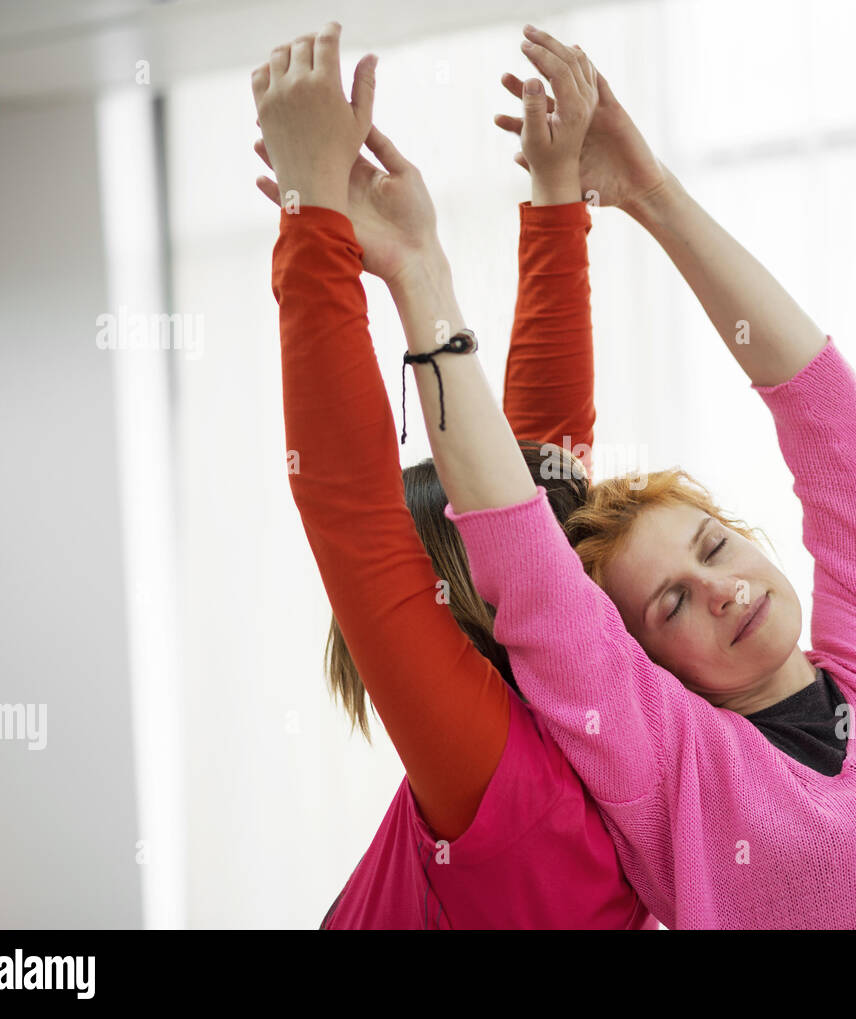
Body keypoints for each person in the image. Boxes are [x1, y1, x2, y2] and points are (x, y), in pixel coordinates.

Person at [260, 19, 856, 930]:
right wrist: (346, 236)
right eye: (668, 606)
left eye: (713, 544)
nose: (720, 589)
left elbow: (820, 432)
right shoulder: (624, 769)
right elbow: (476, 543)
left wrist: (620, 196)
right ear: (638, 660)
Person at [251, 22, 655, 929]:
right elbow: (546, 477)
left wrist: (316, 213)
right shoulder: (568, 765)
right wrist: (554, 197)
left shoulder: (519, 780)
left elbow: (513, 484)